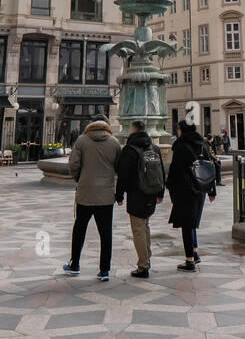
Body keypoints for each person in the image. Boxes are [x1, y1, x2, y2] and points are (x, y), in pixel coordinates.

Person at [63, 116, 121, 282]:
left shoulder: (82, 140)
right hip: (105, 195)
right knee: (106, 233)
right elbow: (119, 166)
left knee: (79, 228)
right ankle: (104, 270)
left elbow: (73, 164)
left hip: (85, 193)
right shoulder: (114, 142)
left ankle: (75, 265)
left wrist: (80, 179)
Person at [114, 121, 165, 278]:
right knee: (145, 226)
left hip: (136, 194)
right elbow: (161, 171)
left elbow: (123, 175)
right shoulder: (154, 147)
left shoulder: (130, 150)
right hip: (151, 192)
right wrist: (161, 193)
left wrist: (119, 195)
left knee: (138, 229)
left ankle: (143, 265)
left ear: (133, 130)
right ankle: (147, 258)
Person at [167, 120, 216, 272]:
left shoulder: (181, 146)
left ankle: (189, 260)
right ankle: (194, 253)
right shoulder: (201, 144)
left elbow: (174, 170)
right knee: (192, 221)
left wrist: (169, 187)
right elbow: (209, 166)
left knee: (186, 225)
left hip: (185, 189)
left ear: (181, 130)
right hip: (200, 188)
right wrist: (212, 190)